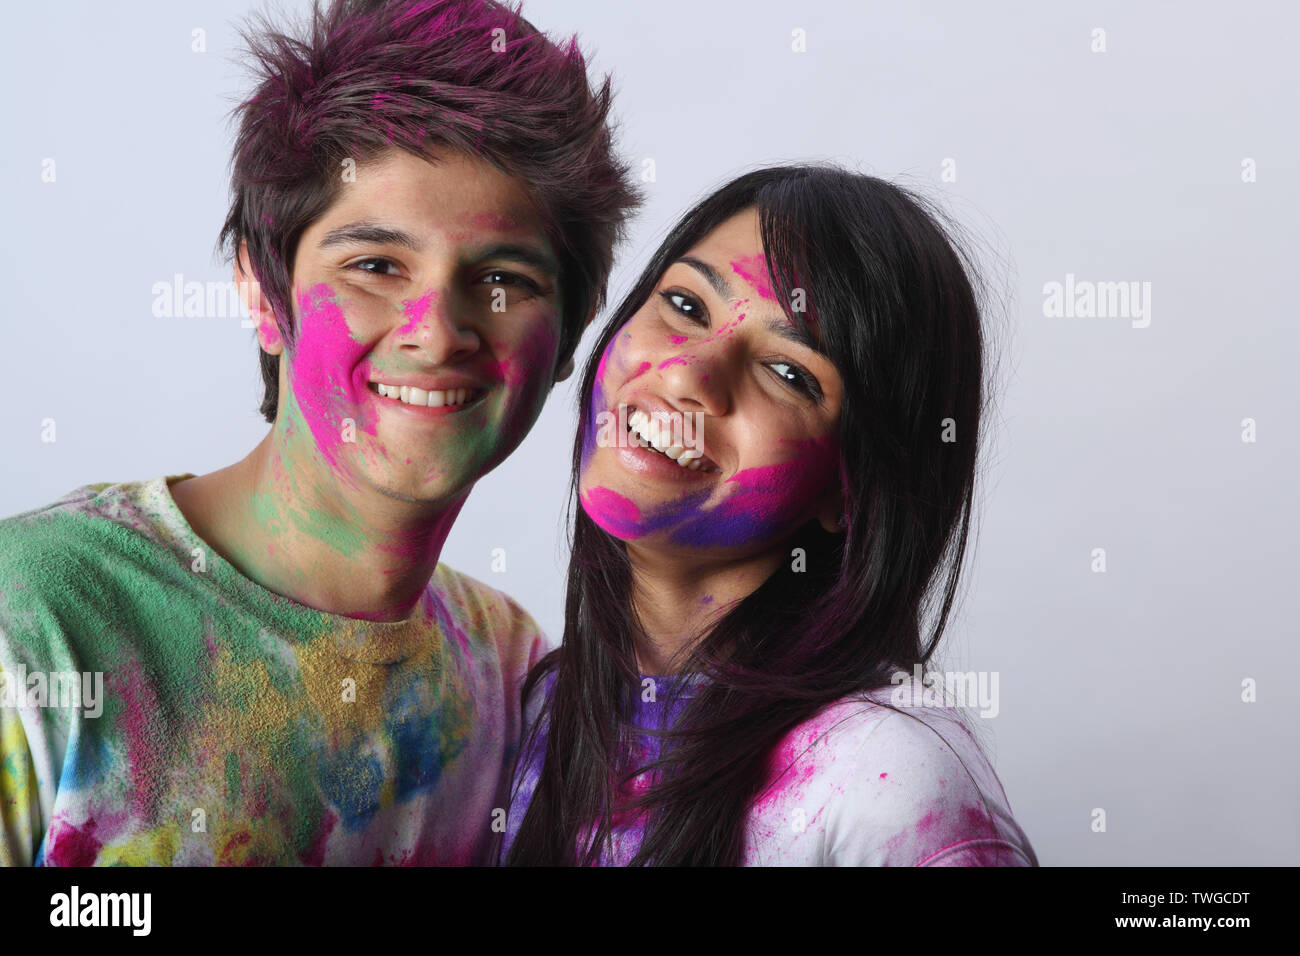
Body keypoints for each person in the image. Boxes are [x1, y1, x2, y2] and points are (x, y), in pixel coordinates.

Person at [0, 0, 638, 866]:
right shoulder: (33, 626)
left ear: (571, 329)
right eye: (375, 266)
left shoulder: (510, 671)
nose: (437, 330)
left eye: (501, 278)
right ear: (263, 294)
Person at [501, 165, 1038, 866]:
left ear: (849, 492)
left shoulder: (888, 781)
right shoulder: (539, 710)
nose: (688, 373)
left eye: (789, 372)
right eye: (687, 307)